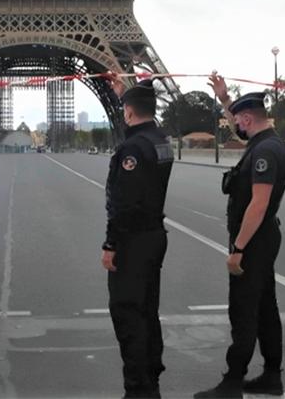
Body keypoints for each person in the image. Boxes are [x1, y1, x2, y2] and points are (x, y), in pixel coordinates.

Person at [195, 77, 285, 398]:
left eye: (238, 120)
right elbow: (241, 131)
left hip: (254, 241)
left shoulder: (264, 151)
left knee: (244, 310)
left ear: (248, 119)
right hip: (264, 238)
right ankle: (272, 376)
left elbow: (258, 205)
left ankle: (232, 382)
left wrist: (238, 248)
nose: (235, 126)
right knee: (265, 308)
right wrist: (225, 100)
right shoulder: (268, 142)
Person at [103, 77, 174, 398]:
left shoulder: (132, 148)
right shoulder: (160, 141)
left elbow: (124, 204)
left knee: (128, 314)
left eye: (125, 110)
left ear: (129, 112)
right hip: (155, 235)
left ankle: (137, 389)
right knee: (147, 310)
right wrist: (126, 94)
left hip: (133, 241)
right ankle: (151, 377)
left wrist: (111, 244)